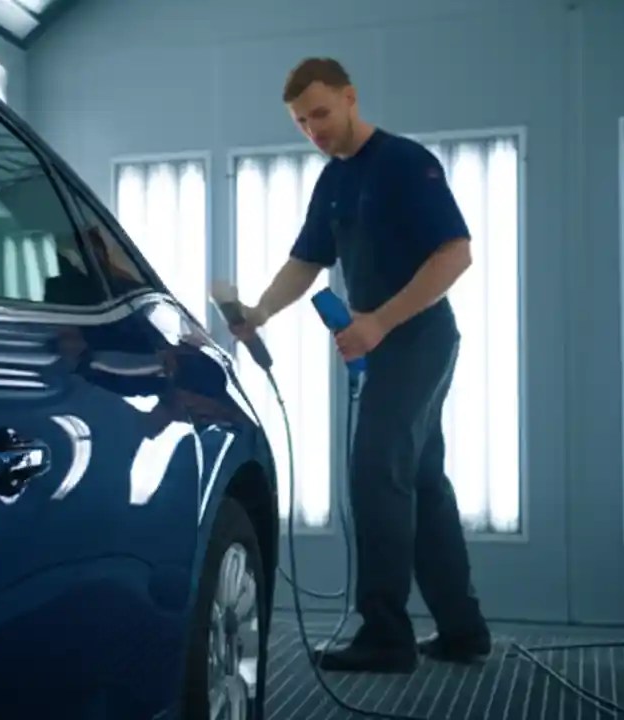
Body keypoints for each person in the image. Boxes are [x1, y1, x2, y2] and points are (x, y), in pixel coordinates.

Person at [230, 57, 492, 673]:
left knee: (375, 475)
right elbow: (307, 260)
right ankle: (462, 629)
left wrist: (377, 321)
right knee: (422, 485)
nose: (313, 129)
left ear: (350, 98)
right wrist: (262, 309)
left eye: (321, 112)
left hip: (418, 337)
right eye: (300, 122)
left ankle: (385, 636)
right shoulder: (333, 182)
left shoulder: (404, 163)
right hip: (387, 341)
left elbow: (456, 255)